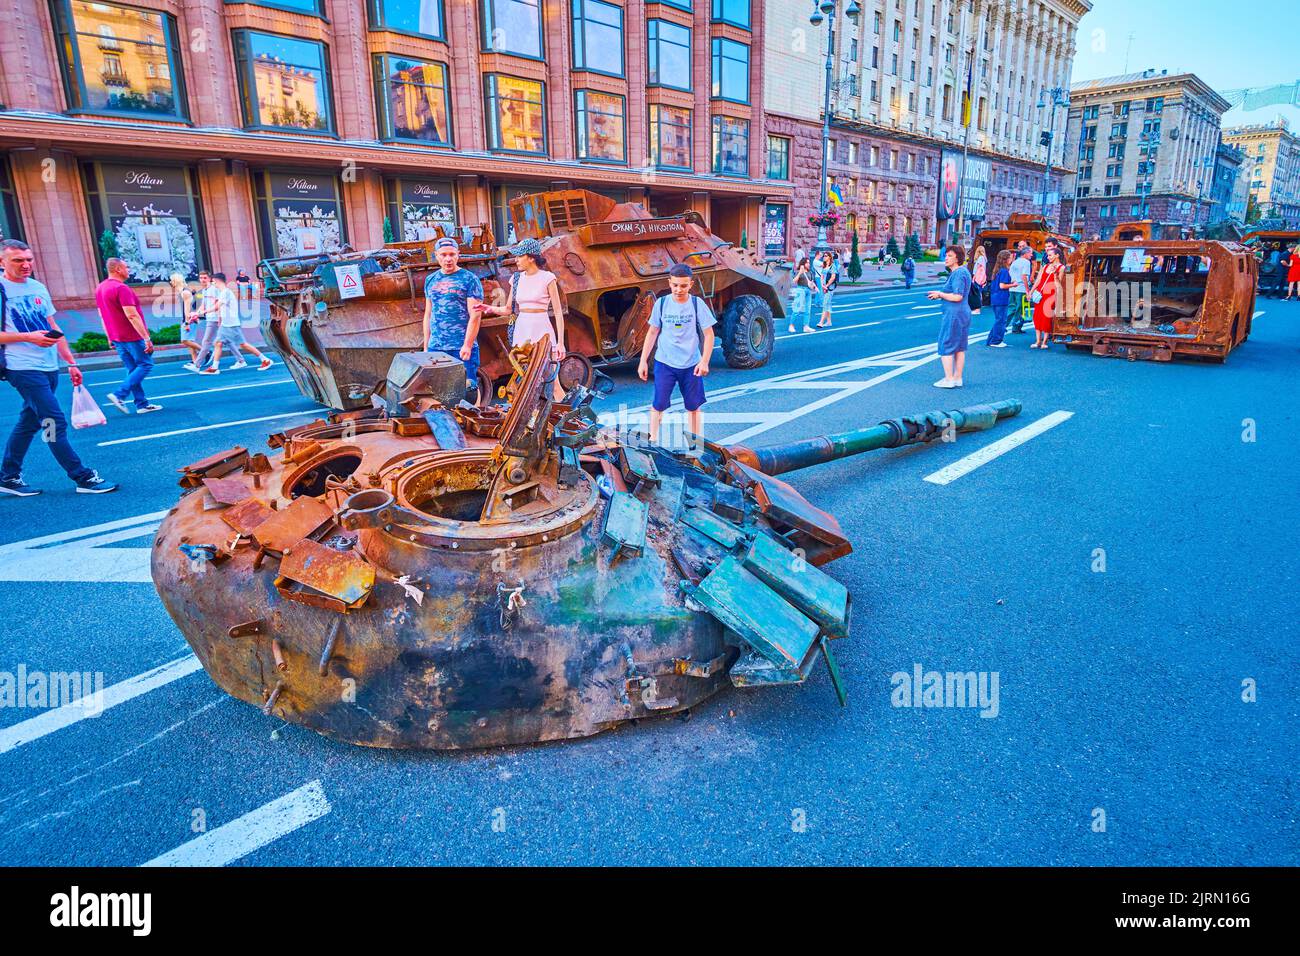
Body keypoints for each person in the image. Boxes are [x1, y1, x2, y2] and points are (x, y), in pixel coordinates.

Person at [0, 239, 117, 496]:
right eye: (17, 260)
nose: (26, 265)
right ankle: (82, 476)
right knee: (53, 421)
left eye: (28, 259)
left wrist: (71, 362)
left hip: (48, 365)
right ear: (2, 262)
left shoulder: (38, 287)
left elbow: (54, 327)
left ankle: (7, 476)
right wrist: (28, 337)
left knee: (28, 421)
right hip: (22, 367)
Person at [638, 263, 716, 444]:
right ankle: (653, 441)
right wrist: (643, 361)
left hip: (691, 364)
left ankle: (696, 445)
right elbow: (652, 332)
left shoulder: (697, 304)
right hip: (665, 363)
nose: (678, 289)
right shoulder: (662, 303)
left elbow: (709, 334)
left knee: (694, 407)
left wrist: (704, 361)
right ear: (669, 283)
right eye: (674, 285)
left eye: (683, 285)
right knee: (658, 404)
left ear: (691, 284)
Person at [482, 237, 566, 400]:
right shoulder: (516, 279)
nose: (516, 260)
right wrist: (487, 308)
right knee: (525, 382)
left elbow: (557, 312)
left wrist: (560, 343)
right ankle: (534, 421)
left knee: (553, 383)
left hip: (542, 332)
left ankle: (569, 420)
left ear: (531, 257)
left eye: (520, 256)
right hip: (522, 333)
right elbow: (508, 309)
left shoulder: (548, 278)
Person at [95, 257, 161, 415]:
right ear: (118, 269)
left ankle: (141, 404)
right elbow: (132, 315)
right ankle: (119, 394)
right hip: (131, 336)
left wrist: (109, 336)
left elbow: (102, 316)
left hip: (117, 338)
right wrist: (146, 338)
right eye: (127, 267)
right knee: (146, 365)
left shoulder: (100, 288)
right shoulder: (122, 288)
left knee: (133, 369)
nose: (129, 270)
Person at [421, 236, 483, 397]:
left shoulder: (469, 279)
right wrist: (427, 347)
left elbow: (475, 315)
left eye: (451, 254)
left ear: (458, 255)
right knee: (439, 393)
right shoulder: (430, 280)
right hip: (437, 348)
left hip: (460, 347)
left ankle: (473, 420)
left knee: (468, 392)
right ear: (436, 255)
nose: (448, 259)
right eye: (443, 255)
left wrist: (468, 345)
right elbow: (428, 314)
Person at [198, 272, 273, 374]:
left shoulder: (225, 292)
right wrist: (220, 320)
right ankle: (215, 367)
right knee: (219, 343)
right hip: (228, 323)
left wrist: (204, 312)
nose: (212, 284)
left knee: (242, 345)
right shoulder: (223, 292)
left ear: (216, 281)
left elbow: (217, 306)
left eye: (213, 282)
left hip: (231, 324)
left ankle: (265, 360)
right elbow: (221, 308)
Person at [926, 245, 971, 388]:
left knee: (946, 344)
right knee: (959, 346)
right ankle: (957, 378)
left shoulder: (958, 273)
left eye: (950, 255)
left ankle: (949, 379)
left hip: (954, 314)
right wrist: (940, 295)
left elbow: (958, 296)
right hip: (962, 313)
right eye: (946, 255)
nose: (946, 257)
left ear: (957, 258)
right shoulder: (963, 272)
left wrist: (940, 294)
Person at [1030, 241, 1065, 349]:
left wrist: (1055, 274)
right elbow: (1038, 280)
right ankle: (1037, 341)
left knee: (1046, 317)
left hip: (1051, 294)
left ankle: (1044, 342)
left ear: (1057, 255)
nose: (1048, 257)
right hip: (1040, 293)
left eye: (1050, 255)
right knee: (1037, 316)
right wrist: (1031, 292)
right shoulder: (1045, 266)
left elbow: (1060, 282)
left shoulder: (1061, 267)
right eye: (1048, 255)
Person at [187, 270, 220, 372]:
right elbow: (203, 305)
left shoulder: (214, 289)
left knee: (206, 341)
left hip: (216, 318)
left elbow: (219, 305)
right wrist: (196, 313)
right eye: (201, 278)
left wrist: (219, 318)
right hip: (211, 317)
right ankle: (241, 360)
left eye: (205, 278)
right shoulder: (204, 290)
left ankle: (197, 365)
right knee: (235, 342)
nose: (202, 280)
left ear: (210, 279)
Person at [172, 273, 201, 365]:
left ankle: (206, 352)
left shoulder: (185, 292)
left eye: (171, 280)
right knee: (190, 342)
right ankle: (195, 361)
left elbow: (187, 310)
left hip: (190, 319)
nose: (170, 282)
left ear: (176, 281)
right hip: (188, 319)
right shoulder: (182, 292)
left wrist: (187, 323)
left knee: (184, 341)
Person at [987, 249, 1014, 349]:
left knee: (998, 319)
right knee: (1001, 320)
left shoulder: (997, 270)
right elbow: (1002, 286)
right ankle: (996, 340)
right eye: (1010, 258)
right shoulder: (1004, 271)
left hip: (995, 297)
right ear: (1006, 259)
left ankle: (991, 339)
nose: (1011, 259)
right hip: (1001, 298)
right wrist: (1013, 284)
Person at [1007, 242, 1034, 334]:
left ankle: (1004, 325)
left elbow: (1010, 275)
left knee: (1011, 308)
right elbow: (1024, 276)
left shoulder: (1015, 262)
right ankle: (1016, 327)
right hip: (1021, 288)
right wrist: (1027, 290)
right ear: (1025, 253)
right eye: (1030, 253)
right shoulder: (1026, 262)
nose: (1031, 255)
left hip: (1012, 288)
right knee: (1020, 308)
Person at [789, 258, 815, 333]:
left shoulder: (810, 272)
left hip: (808, 291)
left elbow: (812, 282)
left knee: (808, 309)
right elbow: (794, 281)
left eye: (809, 263)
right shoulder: (798, 272)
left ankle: (806, 326)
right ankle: (791, 325)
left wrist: (815, 287)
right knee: (797, 309)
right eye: (807, 263)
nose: (808, 264)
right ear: (803, 264)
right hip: (800, 290)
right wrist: (800, 272)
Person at [816, 251, 838, 328]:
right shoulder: (824, 266)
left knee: (825, 304)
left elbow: (833, 277)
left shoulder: (832, 266)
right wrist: (822, 285)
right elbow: (821, 276)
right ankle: (829, 322)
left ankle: (821, 322)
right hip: (824, 287)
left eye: (826, 256)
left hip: (830, 288)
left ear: (829, 257)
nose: (824, 257)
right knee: (827, 304)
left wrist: (827, 286)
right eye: (824, 256)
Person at [970, 244, 988, 315]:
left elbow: (979, 269)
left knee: (977, 292)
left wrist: (974, 277)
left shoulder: (980, 258)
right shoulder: (984, 258)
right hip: (980, 278)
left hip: (978, 278)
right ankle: (978, 307)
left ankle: (977, 309)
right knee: (979, 292)